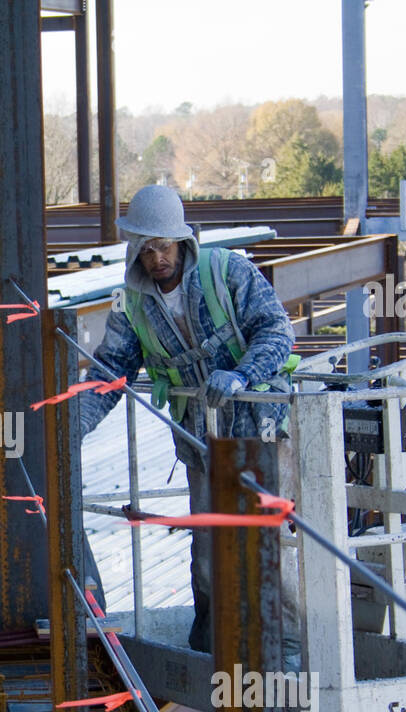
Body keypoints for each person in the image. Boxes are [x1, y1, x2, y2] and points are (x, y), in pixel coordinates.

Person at [77, 184, 302, 668]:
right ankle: (211, 652)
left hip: (260, 433)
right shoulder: (131, 303)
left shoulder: (228, 272)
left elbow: (278, 330)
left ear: (183, 241)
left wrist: (242, 373)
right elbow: (111, 373)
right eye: (146, 248)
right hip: (201, 441)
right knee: (207, 554)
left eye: (163, 245)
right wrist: (73, 425)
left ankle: (286, 657)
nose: (156, 257)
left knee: (270, 549)